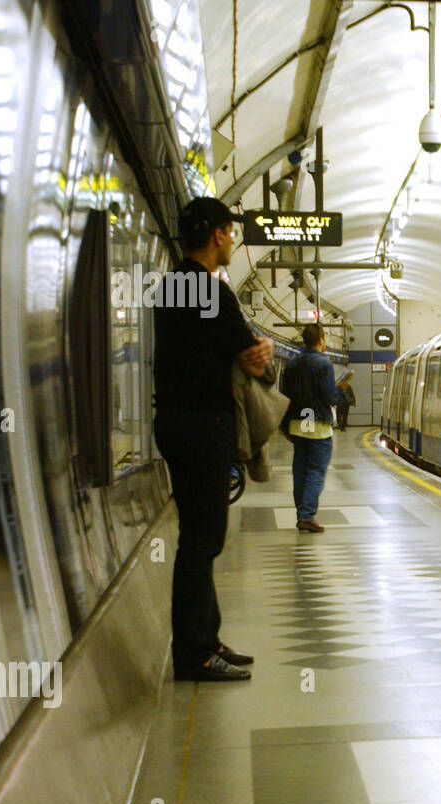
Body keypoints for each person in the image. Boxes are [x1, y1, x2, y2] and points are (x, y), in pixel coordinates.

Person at [153, 196, 272, 682]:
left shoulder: (167, 288)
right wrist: (257, 350)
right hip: (206, 427)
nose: (232, 243)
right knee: (202, 543)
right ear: (220, 234)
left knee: (198, 540)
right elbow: (253, 357)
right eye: (231, 233)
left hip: (176, 423)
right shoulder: (211, 291)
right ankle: (195, 654)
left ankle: (207, 638)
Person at [281, 323, 342, 532]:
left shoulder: (292, 363)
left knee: (300, 470)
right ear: (321, 339)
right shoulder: (323, 363)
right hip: (317, 423)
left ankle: (302, 513)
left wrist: (285, 426)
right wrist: (340, 392)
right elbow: (330, 396)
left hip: (299, 422)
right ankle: (306, 516)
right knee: (316, 471)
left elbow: (284, 394)